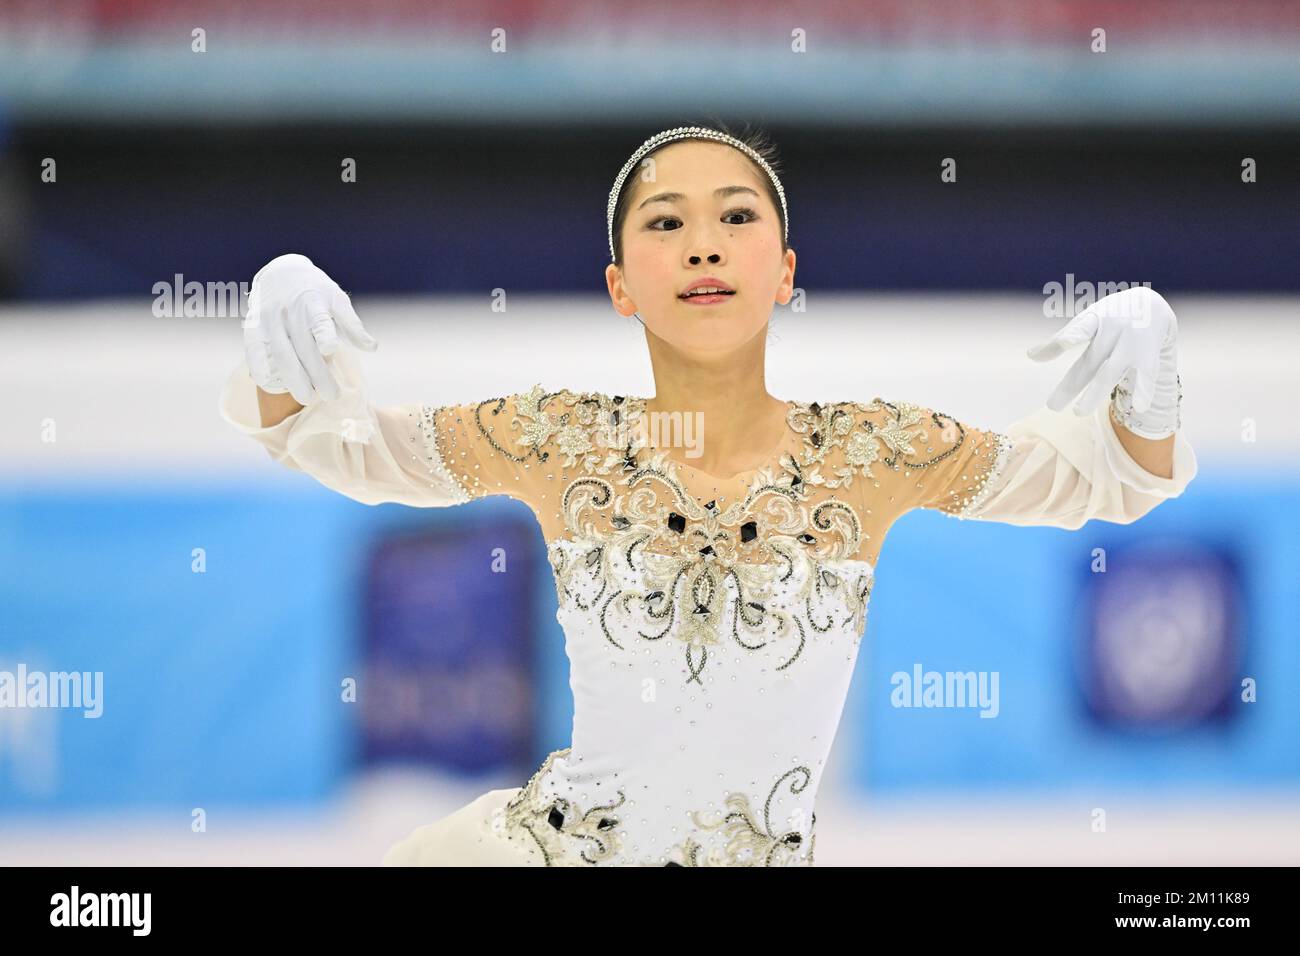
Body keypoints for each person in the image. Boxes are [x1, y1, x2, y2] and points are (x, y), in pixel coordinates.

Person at [218, 125, 1197, 866]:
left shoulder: (875, 449)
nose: (702, 245)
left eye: (736, 216)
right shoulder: (556, 436)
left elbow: (1108, 476)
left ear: (785, 272)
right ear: (619, 284)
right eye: (664, 222)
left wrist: (1147, 380)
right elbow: (332, 441)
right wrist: (278, 336)